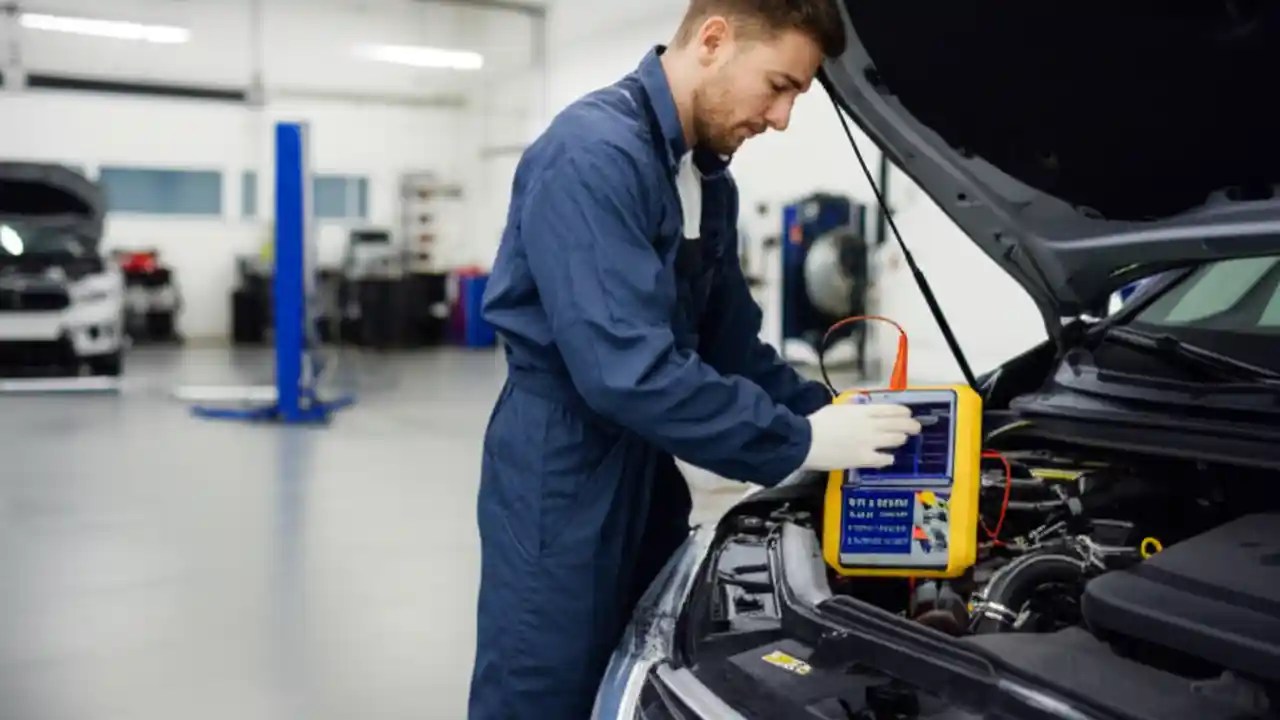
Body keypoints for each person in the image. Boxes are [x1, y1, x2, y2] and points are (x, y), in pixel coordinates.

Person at [469, 1, 922, 717]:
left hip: (647, 470)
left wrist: (837, 416)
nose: (781, 118)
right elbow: (626, 369)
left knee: (635, 681)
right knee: (542, 689)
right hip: (563, 472)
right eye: (778, 85)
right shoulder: (593, 153)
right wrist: (798, 442)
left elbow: (730, 348)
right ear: (713, 39)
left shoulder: (704, 177)